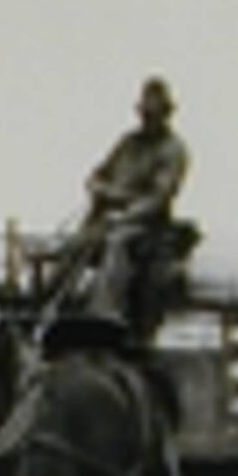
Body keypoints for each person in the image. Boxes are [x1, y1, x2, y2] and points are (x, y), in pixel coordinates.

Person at [77, 76, 192, 337]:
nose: (147, 120)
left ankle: (104, 311)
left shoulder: (173, 150)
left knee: (117, 242)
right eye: (144, 113)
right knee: (79, 242)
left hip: (149, 227)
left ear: (165, 115)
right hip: (109, 216)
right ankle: (48, 299)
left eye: (153, 114)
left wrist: (123, 214)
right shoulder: (128, 143)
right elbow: (99, 173)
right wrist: (96, 186)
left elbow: (158, 199)